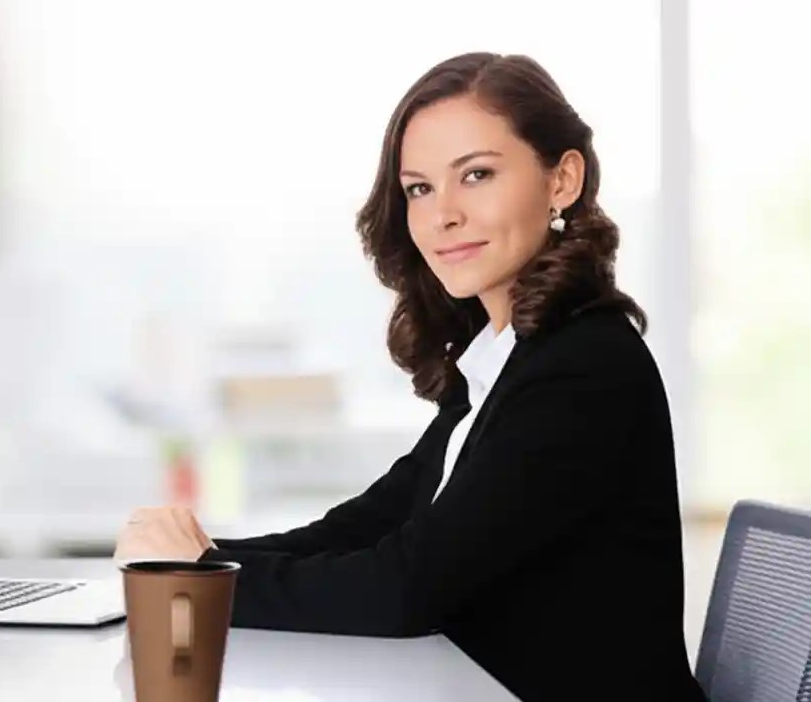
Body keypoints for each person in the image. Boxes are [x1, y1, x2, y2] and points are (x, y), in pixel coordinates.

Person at [113, 52, 707, 701]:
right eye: (419, 188)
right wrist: (200, 557)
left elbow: (405, 589)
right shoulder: (504, 361)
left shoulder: (585, 367)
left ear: (562, 179)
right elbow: (366, 527)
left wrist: (200, 576)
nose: (440, 214)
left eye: (476, 174)